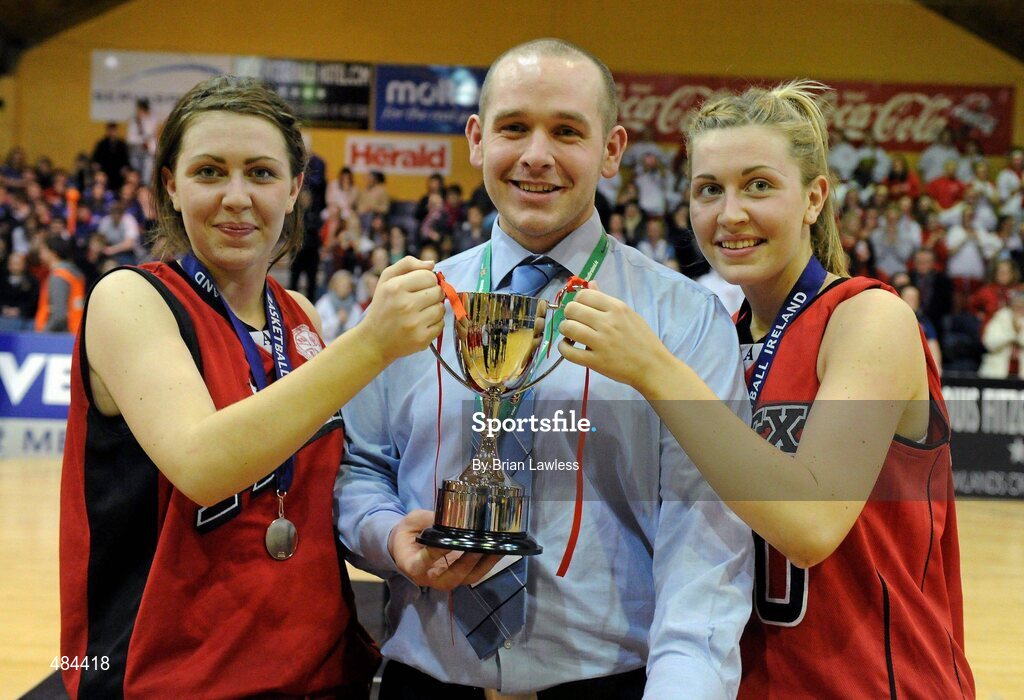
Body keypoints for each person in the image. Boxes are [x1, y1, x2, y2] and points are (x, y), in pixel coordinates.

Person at [335, 39, 753, 698]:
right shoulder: (408, 304)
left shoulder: (683, 320)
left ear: (611, 150)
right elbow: (360, 467)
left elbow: (706, 536)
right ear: (476, 139)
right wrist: (390, 538)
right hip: (426, 682)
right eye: (513, 128)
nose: (536, 155)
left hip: (614, 684)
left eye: (566, 131)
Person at [559, 81, 974, 698]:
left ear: (814, 198)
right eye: (709, 190)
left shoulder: (868, 319)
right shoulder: (714, 346)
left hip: (880, 683)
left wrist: (652, 368)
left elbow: (809, 526)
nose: (730, 213)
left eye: (758, 185)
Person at [59, 75, 446, 699]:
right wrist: (372, 343)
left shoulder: (300, 316)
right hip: (168, 678)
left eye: (261, 173)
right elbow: (205, 464)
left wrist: (391, 531)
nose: (237, 196)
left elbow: (327, 486)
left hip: (319, 670)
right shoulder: (131, 298)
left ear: (294, 189)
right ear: (171, 185)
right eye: (210, 172)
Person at [34, 234, 85, 333]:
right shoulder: (72, 273)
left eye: (43, 250)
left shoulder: (59, 276)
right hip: (74, 333)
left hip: (61, 337)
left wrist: (43, 334)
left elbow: (59, 316)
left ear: (53, 253)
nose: (40, 254)